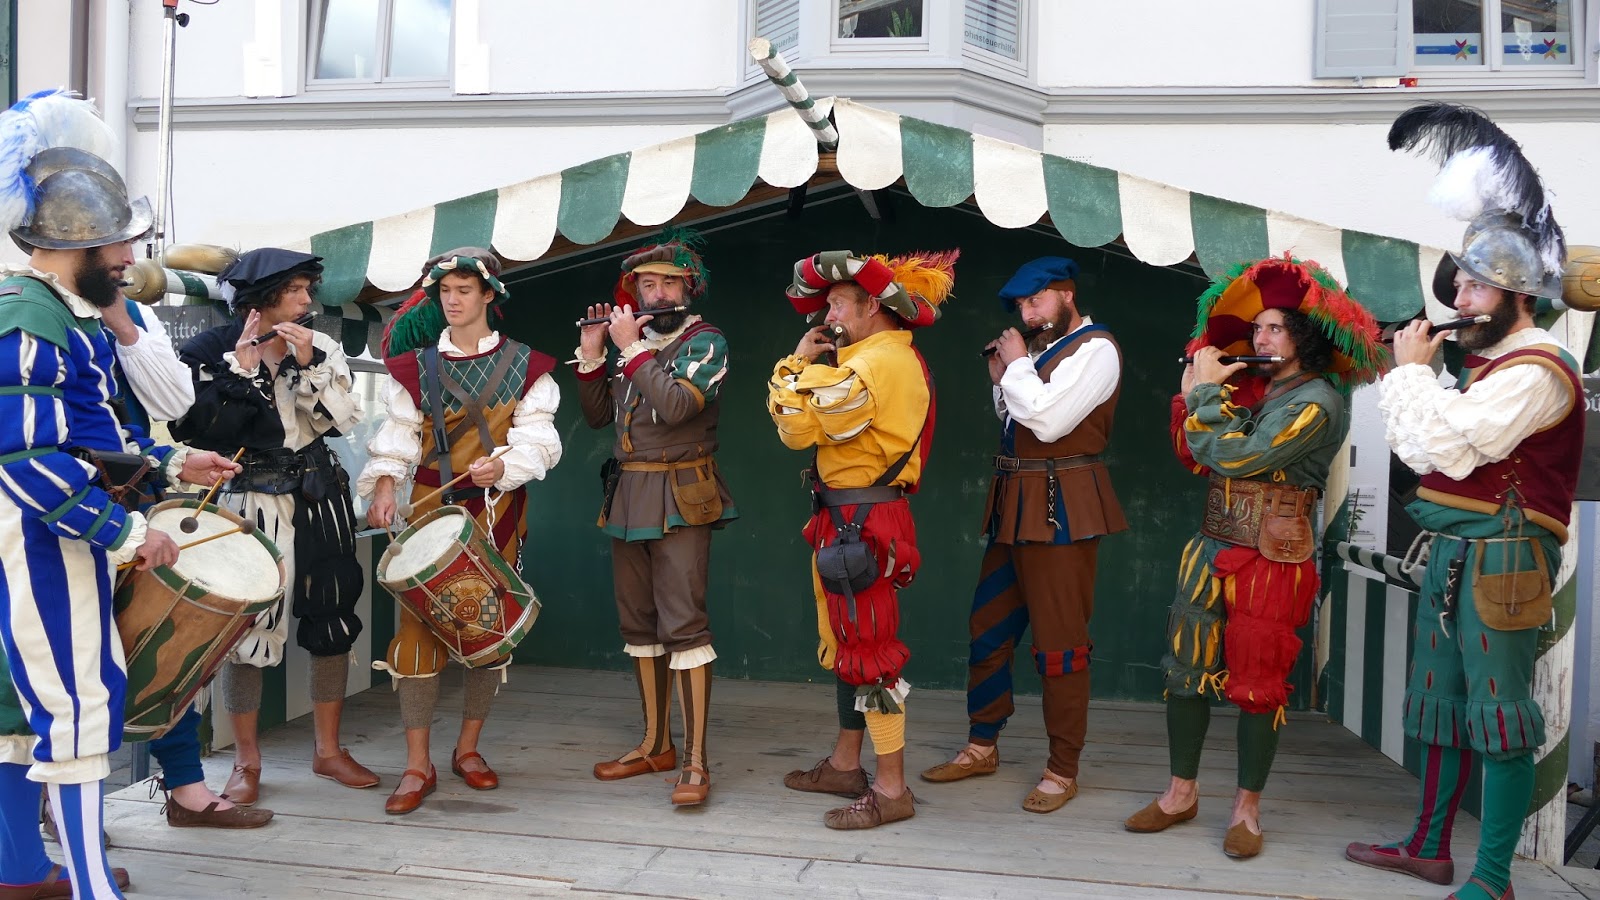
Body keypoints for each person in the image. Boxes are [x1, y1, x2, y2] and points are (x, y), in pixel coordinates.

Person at [0, 89, 241, 899]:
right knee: (76, 717)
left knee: (19, 719)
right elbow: (28, 458)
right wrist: (130, 535)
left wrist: (175, 467)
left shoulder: (68, 314)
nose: (129, 257)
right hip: (37, 546)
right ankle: (93, 890)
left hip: (50, 542)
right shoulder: (30, 316)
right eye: (120, 244)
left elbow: (90, 442)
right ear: (83, 243)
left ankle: (23, 874)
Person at [1346, 102, 1581, 900]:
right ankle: (1427, 846)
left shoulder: (1537, 372)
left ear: (1519, 295)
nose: (1463, 299)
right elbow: (1440, 445)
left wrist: (1408, 372)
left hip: (1504, 557)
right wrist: (1423, 375)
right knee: (1441, 707)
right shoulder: (1487, 368)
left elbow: (1437, 450)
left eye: (1478, 288)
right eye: (1464, 286)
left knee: (1501, 718)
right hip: (1456, 553)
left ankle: (1492, 880)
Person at [1123, 255, 1384, 860]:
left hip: (1274, 554)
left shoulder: (1319, 400)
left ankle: (1247, 810)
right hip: (1213, 541)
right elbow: (1200, 454)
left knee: (1259, 682)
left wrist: (1205, 396)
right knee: (1185, 668)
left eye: (1273, 329)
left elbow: (1239, 458)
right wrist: (1204, 401)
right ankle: (1179, 793)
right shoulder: (1264, 392)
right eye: (1258, 327)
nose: (1258, 338)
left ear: (1304, 338)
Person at [920, 256, 1126, 814]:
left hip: (1064, 506)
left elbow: (1051, 423)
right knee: (988, 627)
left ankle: (1062, 769)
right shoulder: (1038, 355)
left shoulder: (1097, 350)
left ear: (1066, 294)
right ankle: (980, 745)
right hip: (1015, 502)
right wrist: (1003, 379)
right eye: (1021, 306)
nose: (1027, 313)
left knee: (1060, 646)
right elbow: (1020, 421)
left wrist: (1015, 367)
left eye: (1036, 302)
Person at [361, 248, 562, 814]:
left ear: (489, 297)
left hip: (496, 513)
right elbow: (398, 434)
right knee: (417, 637)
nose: (452, 300)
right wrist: (383, 485)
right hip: (427, 511)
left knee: (484, 629)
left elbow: (540, 441)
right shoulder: (415, 366)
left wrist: (505, 465)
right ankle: (416, 764)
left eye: (464, 290)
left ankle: (468, 750)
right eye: (445, 291)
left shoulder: (528, 366)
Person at [171, 248, 373, 807]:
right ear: (264, 297)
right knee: (246, 627)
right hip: (249, 501)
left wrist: (308, 366)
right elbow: (205, 429)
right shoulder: (209, 352)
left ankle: (328, 751)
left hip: (317, 494)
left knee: (333, 612)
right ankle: (246, 760)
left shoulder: (324, 345)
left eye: (309, 289)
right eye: (298, 291)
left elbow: (340, 420)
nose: (309, 300)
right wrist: (245, 370)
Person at [769, 249, 955, 829]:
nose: (825, 316)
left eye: (837, 304)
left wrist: (799, 371)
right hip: (842, 516)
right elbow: (793, 426)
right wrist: (800, 370)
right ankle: (847, 764)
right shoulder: (857, 359)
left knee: (872, 653)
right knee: (849, 641)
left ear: (872, 305)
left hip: (866, 520)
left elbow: (827, 418)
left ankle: (893, 788)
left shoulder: (887, 360)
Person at [574, 228, 736, 807]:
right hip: (629, 492)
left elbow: (674, 408)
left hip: (683, 490)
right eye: (648, 284)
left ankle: (695, 760)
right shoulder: (630, 344)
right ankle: (654, 745)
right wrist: (594, 354)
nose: (659, 293)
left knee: (684, 625)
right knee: (638, 625)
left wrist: (631, 350)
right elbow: (598, 418)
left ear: (688, 287)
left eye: (670, 283)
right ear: (635, 292)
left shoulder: (707, 341)